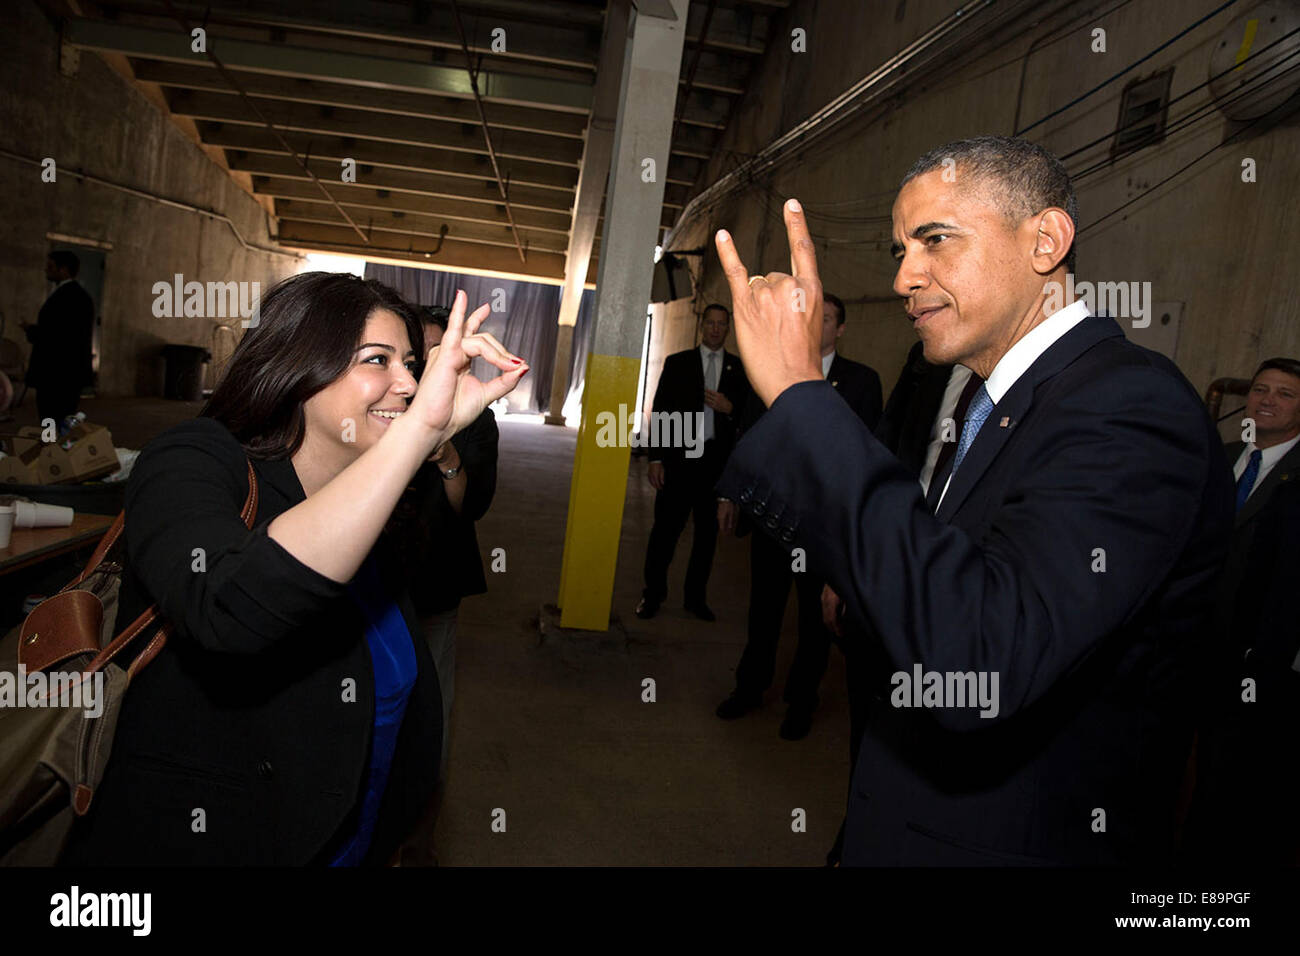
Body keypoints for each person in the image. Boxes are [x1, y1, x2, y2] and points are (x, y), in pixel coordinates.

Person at [713, 136, 1234, 865]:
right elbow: (958, 575)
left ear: (1045, 241)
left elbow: (981, 660)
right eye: (900, 251)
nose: (904, 277)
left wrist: (803, 396)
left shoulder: (1129, 406)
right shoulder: (1009, 400)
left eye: (935, 240)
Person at [60, 272, 527, 866]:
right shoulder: (193, 460)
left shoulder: (377, 504)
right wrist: (417, 434)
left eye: (411, 363)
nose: (409, 384)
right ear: (298, 362)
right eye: (378, 360)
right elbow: (230, 606)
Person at [714, 292, 881, 740]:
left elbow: (867, 455)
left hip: (824, 527)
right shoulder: (772, 372)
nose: (818, 325)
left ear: (840, 329)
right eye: (812, 317)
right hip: (774, 518)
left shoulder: (862, 383)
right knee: (763, 611)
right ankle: (749, 688)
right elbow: (748, 435)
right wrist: (729, 496)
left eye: (827, 319)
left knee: (815, 620)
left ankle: (800, 703)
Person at [1182, 356, 1300, 863]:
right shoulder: (1218, 455)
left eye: (1285, 394)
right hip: (1186, 645)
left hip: (1255, 659)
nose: (1267, 399)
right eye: (1260, 389)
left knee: (1230, 783)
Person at [635, 304, 750, 621]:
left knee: (706, 537)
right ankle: (652, 595)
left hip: (715, 467)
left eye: (721, 324)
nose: (715, 329)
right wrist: (656, 457)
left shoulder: (739, 369)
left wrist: (730, 408)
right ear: (702, 327)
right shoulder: (678, 363)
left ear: (728, 329)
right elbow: (660, 411)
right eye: (710, 323)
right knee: (665, 533)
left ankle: (695, 599)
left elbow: (750, 416)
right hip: (679, 462)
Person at [23, 251, 94, 434]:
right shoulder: (79, 296)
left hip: (56, 373)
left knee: (51, 418)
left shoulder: (65, 297)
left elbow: (55, 336)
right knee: (61, 421)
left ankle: (52, 456)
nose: (46, 270)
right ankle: (57, 454)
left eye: (51, 267)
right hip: (68, 373)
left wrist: (31, 330)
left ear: (63, 270)